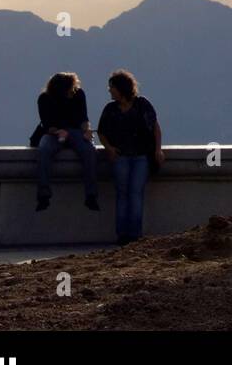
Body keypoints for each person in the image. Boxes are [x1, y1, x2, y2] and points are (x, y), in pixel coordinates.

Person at [97, 70, 164, 245]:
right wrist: (109, 148)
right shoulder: (110, 109)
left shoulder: (142, 105)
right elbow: (102, 132)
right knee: (124, 194)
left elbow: (155, 128)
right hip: (121, 156)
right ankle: (123, 235)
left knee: (134, 194)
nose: (110, 91)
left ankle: (134, 235)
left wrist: (158, 150)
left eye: (112, 87)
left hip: (141, 156)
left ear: (121, 89)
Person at [33, 72, 100, 212]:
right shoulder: (45, 98)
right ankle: (43, 194)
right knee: (44, 150)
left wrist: (87, 130)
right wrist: (58, 131)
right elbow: (47, 124)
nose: (72, 91)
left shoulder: (79, 94)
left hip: (75, 131)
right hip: (54, 132)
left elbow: (83, 118)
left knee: (89, 151)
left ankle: (91, 195)